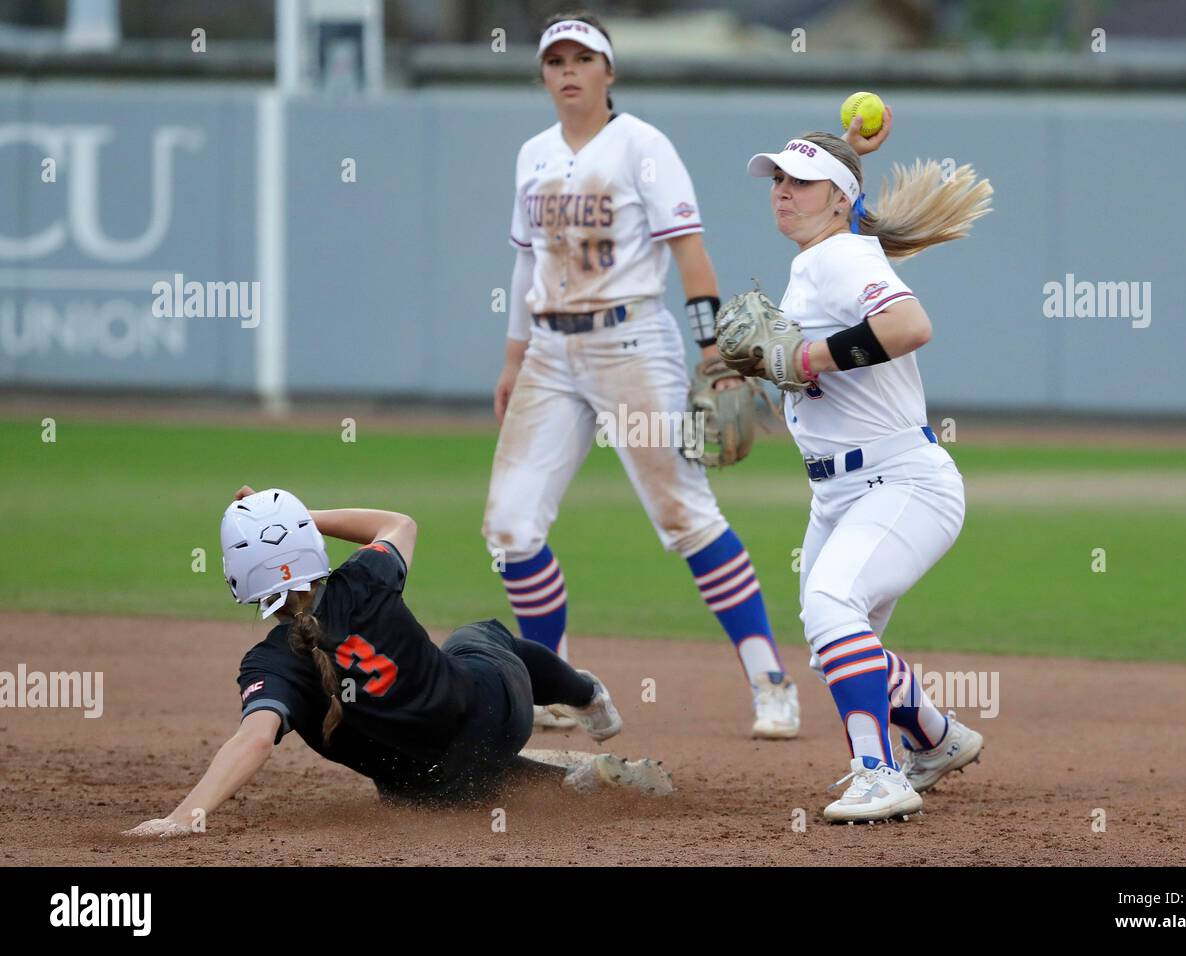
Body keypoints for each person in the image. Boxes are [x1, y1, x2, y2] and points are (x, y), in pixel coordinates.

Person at [485, 10, 812, 738]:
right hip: (548, 352)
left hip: (632, 344)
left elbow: (691, 253)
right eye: (555, 60)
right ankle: (560, 689)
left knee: (683, 516)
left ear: (609, 71)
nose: (567, 70)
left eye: (581, 58)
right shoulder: (533, 154)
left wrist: (712, 351)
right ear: (543, 74)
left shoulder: (643, 146)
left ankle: (771, 682)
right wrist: (512, 358)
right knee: (510, 529)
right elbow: (525, 260)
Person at [123, 486, 668, 839]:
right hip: (500, 713)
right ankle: (586, 698)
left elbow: (257, 739)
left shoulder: (270, 661)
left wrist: (186, 815)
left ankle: (563, 783)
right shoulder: (363, 579)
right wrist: (300, 517)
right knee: (481, 636)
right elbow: (399, 523)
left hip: (437, 788)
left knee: (425, 767)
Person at [723, 125, 994, 821]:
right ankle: (935, 739)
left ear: (840, 200)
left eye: (800, 182)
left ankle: (878, 774)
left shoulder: (840, 256)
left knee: (832, 607)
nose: (782, 192)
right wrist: (748, 373)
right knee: (835, 638)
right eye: (777, 180)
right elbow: (812, 376)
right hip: (839, 491)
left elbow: (909, 325)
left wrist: (805, 358)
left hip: (901, 482)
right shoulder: (815, 263)